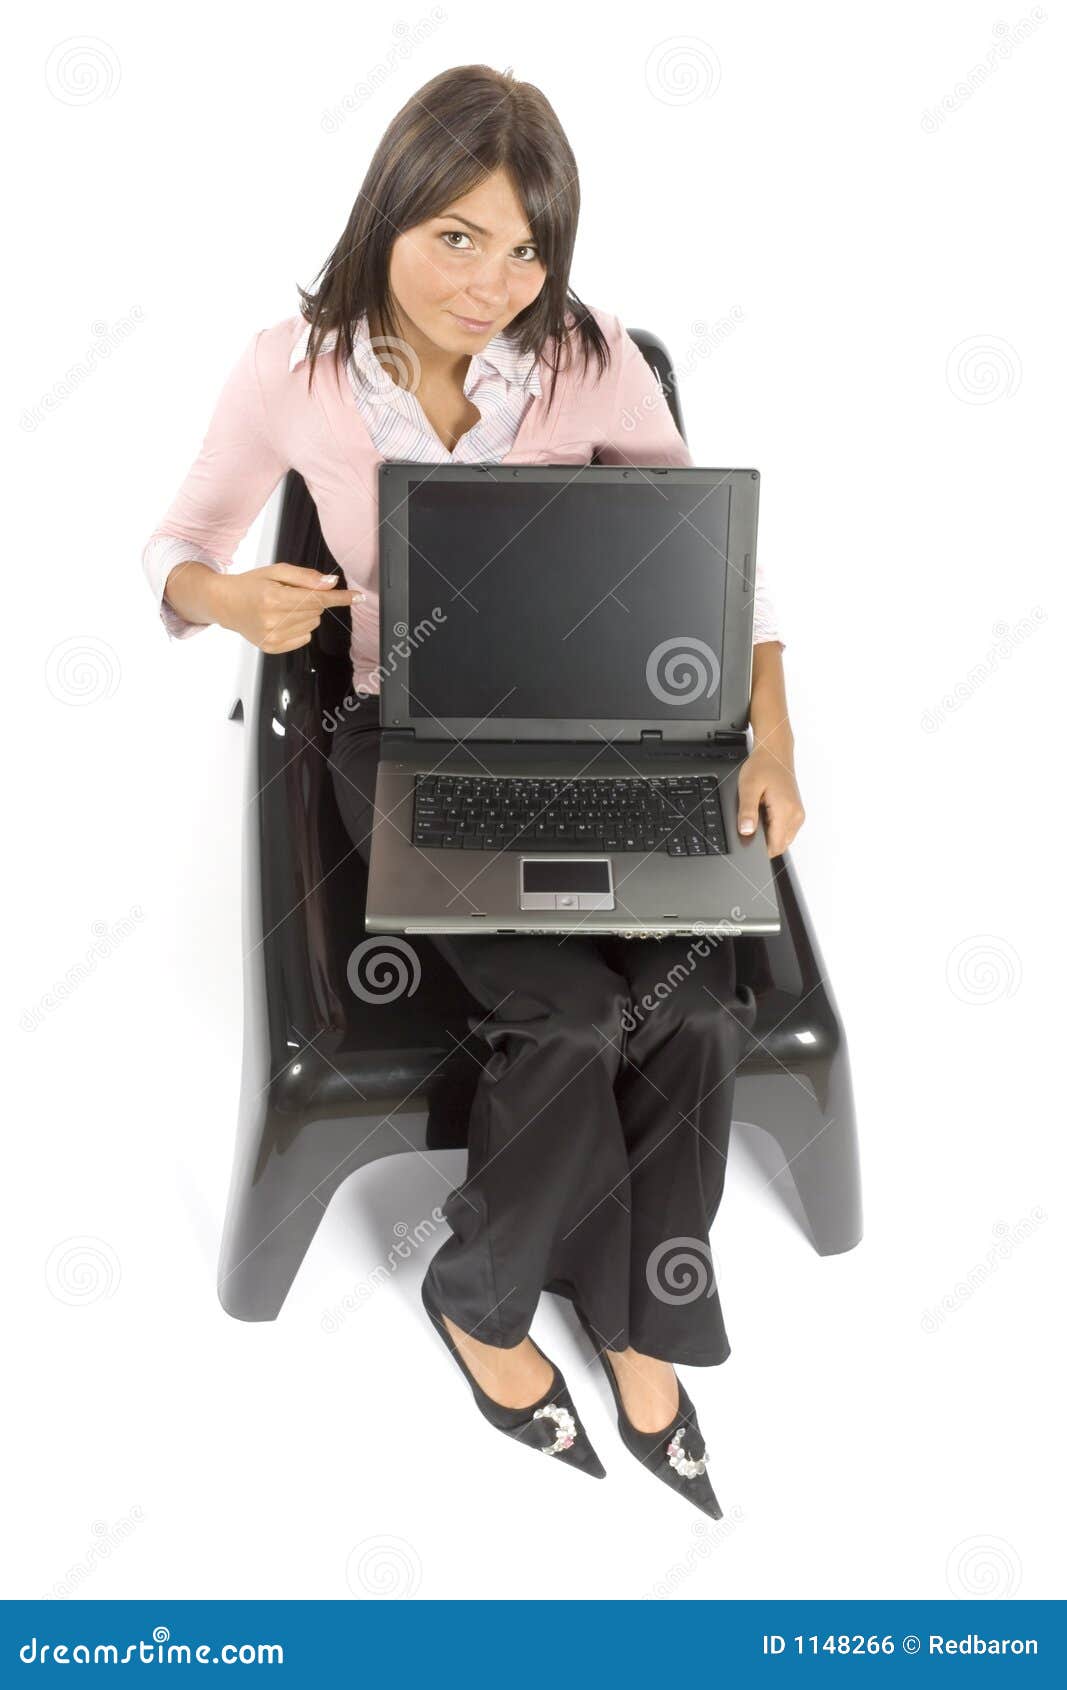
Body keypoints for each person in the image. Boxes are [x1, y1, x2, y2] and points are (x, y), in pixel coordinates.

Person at [143, 64, 806, 1517]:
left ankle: (647, 1317)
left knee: (699, 996)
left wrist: (771, 736)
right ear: (387, 211)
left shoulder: (591, 357)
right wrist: (222, 592)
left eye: (525, 249)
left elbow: (713, 561)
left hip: (604, 731)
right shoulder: (294, 368)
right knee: (564, 1010)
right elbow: (177, 543)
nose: (493, 282)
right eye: (457, 236)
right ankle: (484, 1299)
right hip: (408, 735)